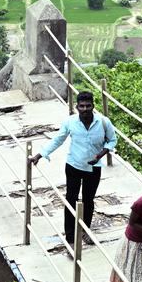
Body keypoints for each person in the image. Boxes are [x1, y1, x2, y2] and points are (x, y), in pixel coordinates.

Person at [29, 91, 117, 245]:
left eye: (87, 106)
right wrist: (39, 155)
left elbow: (112, 141)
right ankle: (70, 237)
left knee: (88, 200)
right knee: (71, 199)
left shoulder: (103, 122)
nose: (84, 109)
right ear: (77, 107)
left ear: (93, 106)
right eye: (81, 106)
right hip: (73, 166)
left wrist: (100, 155)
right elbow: (57, 140)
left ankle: (85, 231)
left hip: (94, 167)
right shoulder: (70, 122)